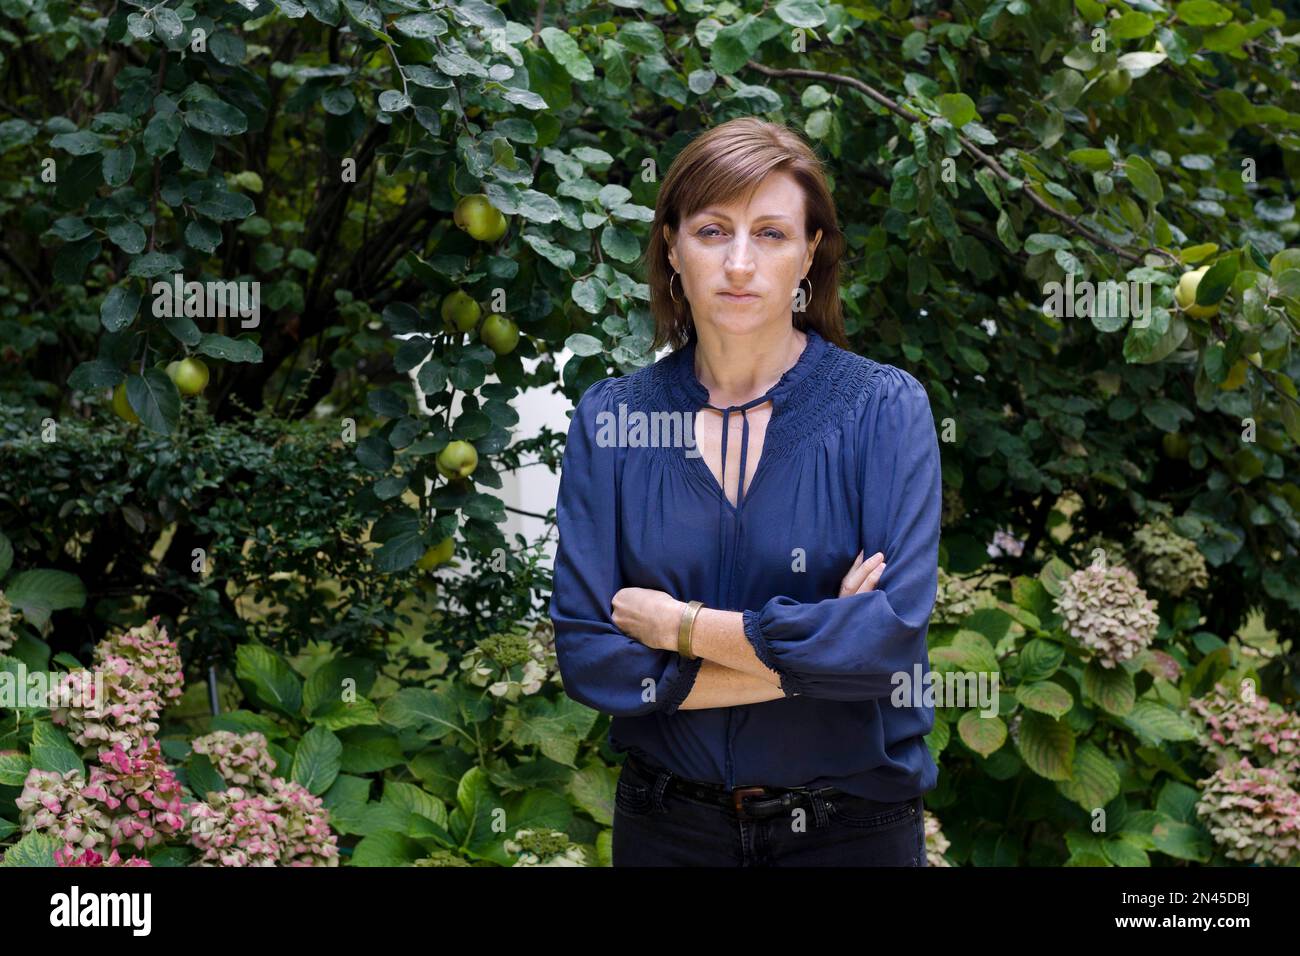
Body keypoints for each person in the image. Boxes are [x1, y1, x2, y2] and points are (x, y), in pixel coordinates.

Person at [548, 117, 942, 867]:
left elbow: (886, 650)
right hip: (668, 832)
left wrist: (680, 627)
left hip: (850, 833)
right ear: (670, 245)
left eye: (769, 234)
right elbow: (591, 657)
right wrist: (817, 657)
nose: (738, 263)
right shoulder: (615, 419)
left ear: (809, 253)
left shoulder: (883, 410)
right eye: (711, 231)